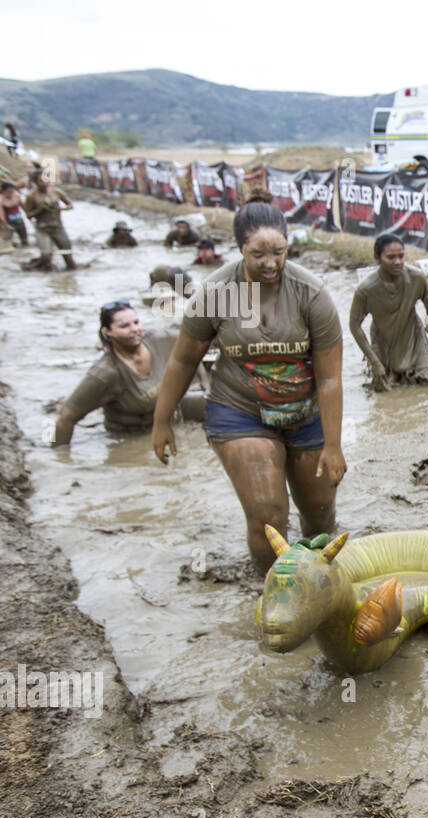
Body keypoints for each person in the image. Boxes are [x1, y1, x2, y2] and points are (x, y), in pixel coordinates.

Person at [151, 188, 347, 574]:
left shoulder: (312, 294)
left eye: (280, 252)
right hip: (240, 412)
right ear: (239, 247)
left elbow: (330, 379)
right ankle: (271, 593)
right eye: (258, 254)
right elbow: (182, 359)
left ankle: (322, 585)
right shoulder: (216, 294)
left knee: (320, 517)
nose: (271, 263)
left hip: (307, 412)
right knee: (268, 519)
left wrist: (334, 445)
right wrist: (161, 420)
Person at [53, 301, 204, 444]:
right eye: (125, 326)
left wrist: (205, 382)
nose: (134, 330)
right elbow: (65, 418)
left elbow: (195, 343)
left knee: (220, 405)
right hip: (133, 437)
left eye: (136, 322)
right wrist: (60, 459)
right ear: (107, 332)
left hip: (173, 417)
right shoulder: (105, 374)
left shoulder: (160, 340)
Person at [349, 233, 428, 391]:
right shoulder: (365, 290)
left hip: (413, 335)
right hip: (382, 339)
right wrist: (374, 361)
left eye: (401, 256)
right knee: (383, 386)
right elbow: (354, 326)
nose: (397, 262)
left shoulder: (416, 278)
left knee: (426, 381)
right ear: (377, 257)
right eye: (390, 257)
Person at [22, 171, 75, 270]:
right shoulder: (31, 196)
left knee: (68, 256)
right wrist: (40, 209)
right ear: (35, 182)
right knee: (46, 255)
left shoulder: (56, 192)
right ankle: (31, 267)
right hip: (42, 229)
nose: (45, 183)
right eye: (41, 181)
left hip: (58, 227)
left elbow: (70, 205)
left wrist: (60, 209)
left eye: (46, 180)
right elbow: (28, 215)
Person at [0, 181, 27, 247]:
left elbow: (24, 208)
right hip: (8, 222)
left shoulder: (17, 196)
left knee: (24, 240)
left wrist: (30, 218)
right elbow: (1, 215)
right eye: (9, 192)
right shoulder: (1, 200)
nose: (11, 193)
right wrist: (6, 225)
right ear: (3, 191)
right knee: (8, 241)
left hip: (19, 220)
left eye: (12, 191)